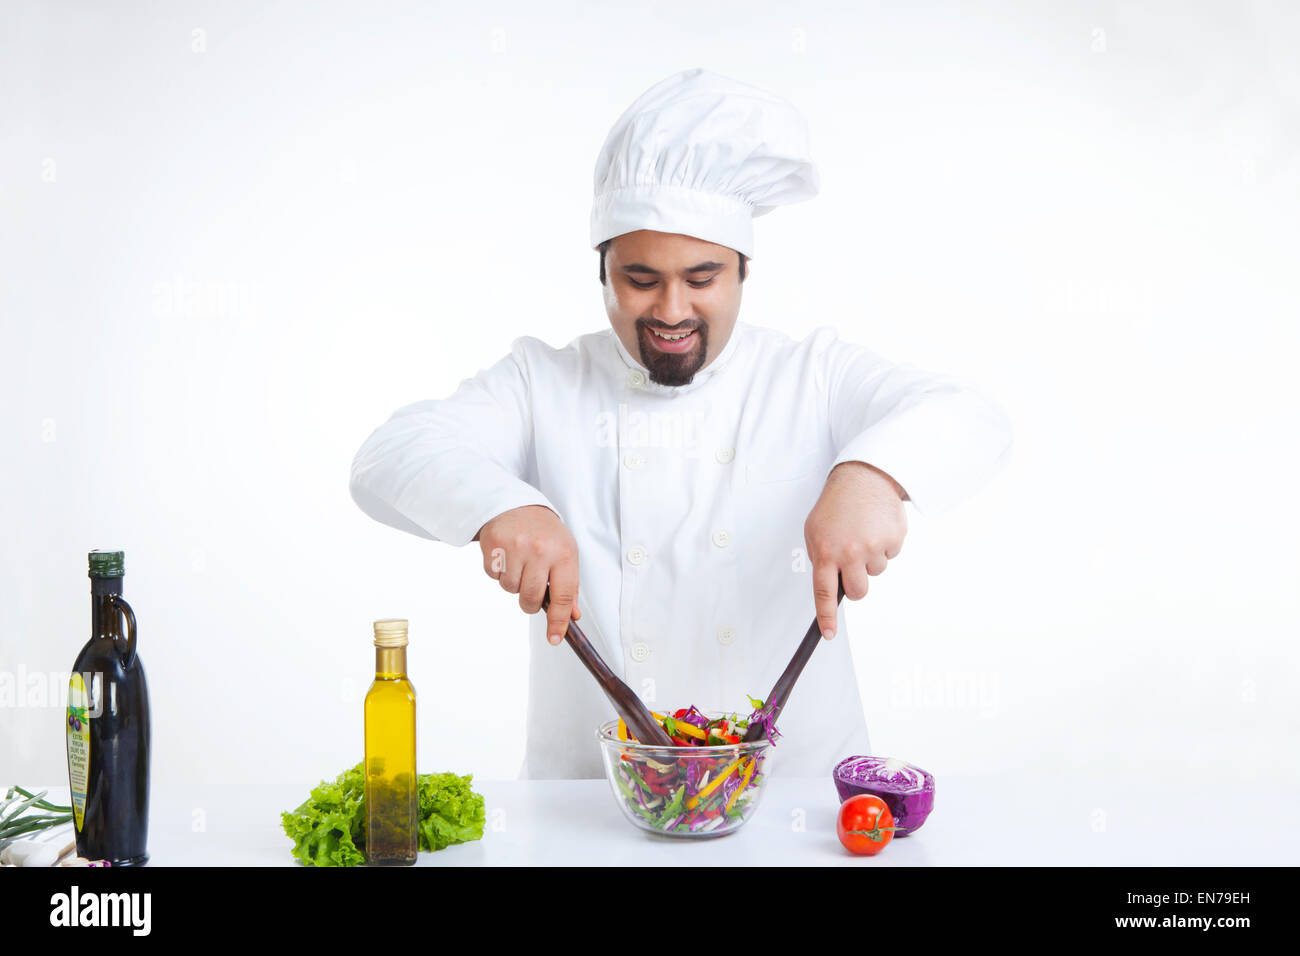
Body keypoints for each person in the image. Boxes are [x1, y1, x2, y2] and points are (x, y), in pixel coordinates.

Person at [349, 67, 1013, 778]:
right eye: (640, 279)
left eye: (702, 278)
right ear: (602, 271)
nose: (670, 310)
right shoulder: (542, 383)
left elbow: (972, 415)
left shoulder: (810, 376)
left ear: (743, 270)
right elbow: (387, 456)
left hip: (803, 807)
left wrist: (872, 475)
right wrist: (503, 505)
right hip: (593, 807)